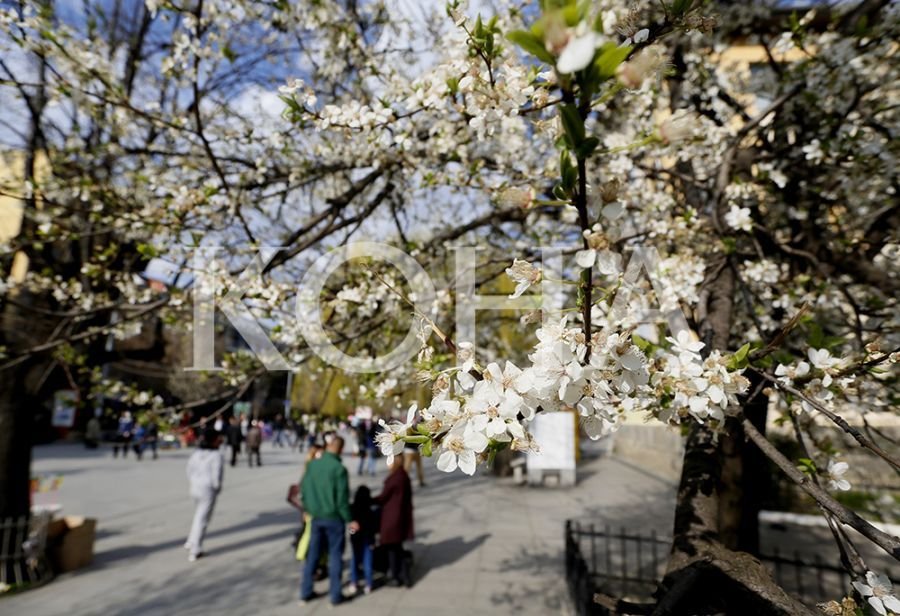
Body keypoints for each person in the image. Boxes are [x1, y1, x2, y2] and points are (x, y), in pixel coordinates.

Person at [299, 436, 358, 606]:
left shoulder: (313, 465)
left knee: (313, 556)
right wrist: (349, 519)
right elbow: (342, 499)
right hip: (333, 518)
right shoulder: (338, 468)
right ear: (340, 449)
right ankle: (335, 595)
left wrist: (308, 509)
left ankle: (306, 591)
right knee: (335, 557)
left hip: (316, 517)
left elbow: (304, 489)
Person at [185, 428, 224, 562]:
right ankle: (195, 549)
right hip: (207, 490)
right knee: (203, 519)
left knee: (198, 515)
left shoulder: (196, 454)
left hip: (195, 487)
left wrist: (193, 481)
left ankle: (191, 540)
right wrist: (217, 488)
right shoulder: (216, 456)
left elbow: (188, 470)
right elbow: (216, 476)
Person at [376, 456, 414, 587]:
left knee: (393, 548)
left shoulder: (395, 478)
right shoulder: (403, 475)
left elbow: (383, 497)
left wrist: (369, 500)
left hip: (392, 519)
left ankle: (396, 576)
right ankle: (404, 576)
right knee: (398, 548)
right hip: (399, 517)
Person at [348, 485, 377, 595]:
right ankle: (368, 584)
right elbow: (372, 528)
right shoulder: (370, 511)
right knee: (367, 561)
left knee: (354, 560)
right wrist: (372, 542)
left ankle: (353, 582)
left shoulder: (352, 509)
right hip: (367, 539)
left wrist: (351, 534)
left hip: (355, 539)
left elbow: (351, 527)